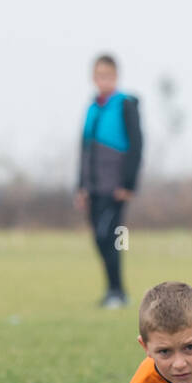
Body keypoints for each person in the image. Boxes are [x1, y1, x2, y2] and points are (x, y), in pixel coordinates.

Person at [76, 54, 143, 309]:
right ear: (93, 78)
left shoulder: (126, 105)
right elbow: (84, 149)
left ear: (115, 77)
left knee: (110, 236)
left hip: (115, 188)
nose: (102, 80)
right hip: (93, 187)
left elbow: (137, 145)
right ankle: (112, 290)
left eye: (107, 75)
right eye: (98, 75)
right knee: (98, 238)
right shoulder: (92, 108)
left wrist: (128, 184)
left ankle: (117, 292)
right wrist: (80, 186)